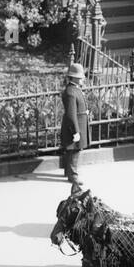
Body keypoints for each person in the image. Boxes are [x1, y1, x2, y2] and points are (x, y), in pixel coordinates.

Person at [59, 62, 88, 194]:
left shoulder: (74, 89)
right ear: (75, 77)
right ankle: (73, 175)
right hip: (74, 126)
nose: (83, 79)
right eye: (81, 77)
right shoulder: (71, 92)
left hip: (78, 123)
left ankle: (69, 172)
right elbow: (71, 114)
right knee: (74, 150)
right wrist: (76, 131)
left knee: (73, 150)